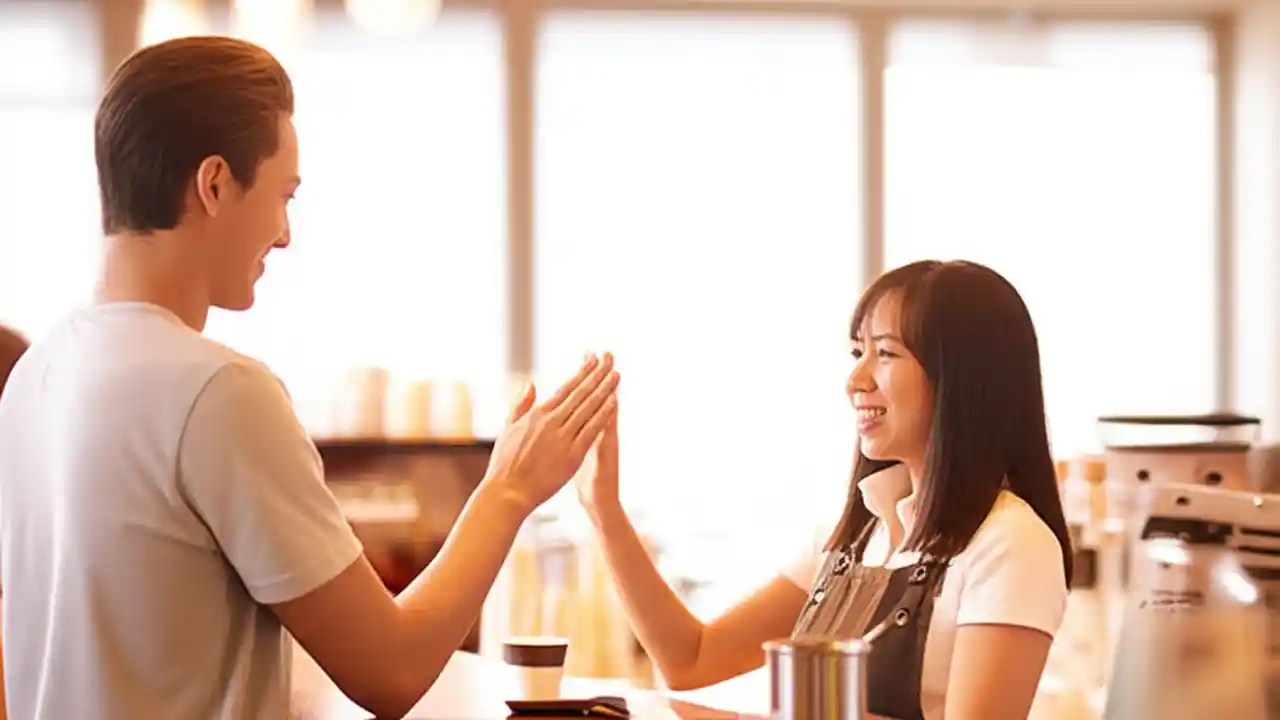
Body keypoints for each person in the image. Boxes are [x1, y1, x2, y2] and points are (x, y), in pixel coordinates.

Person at [0, 36, 619, 720]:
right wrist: (508, 489)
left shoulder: (34, 376)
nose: (285, 233)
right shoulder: (215, 393)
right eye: (281, 195)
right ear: (213, 184)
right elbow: (392, 671)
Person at [577, 260, 1072, 720]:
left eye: (885, 353)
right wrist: (604, 510)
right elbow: (695, 660)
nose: (855, 379)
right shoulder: (857, 535)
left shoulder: (1012, 543)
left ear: (962, 378)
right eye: (859, 353)